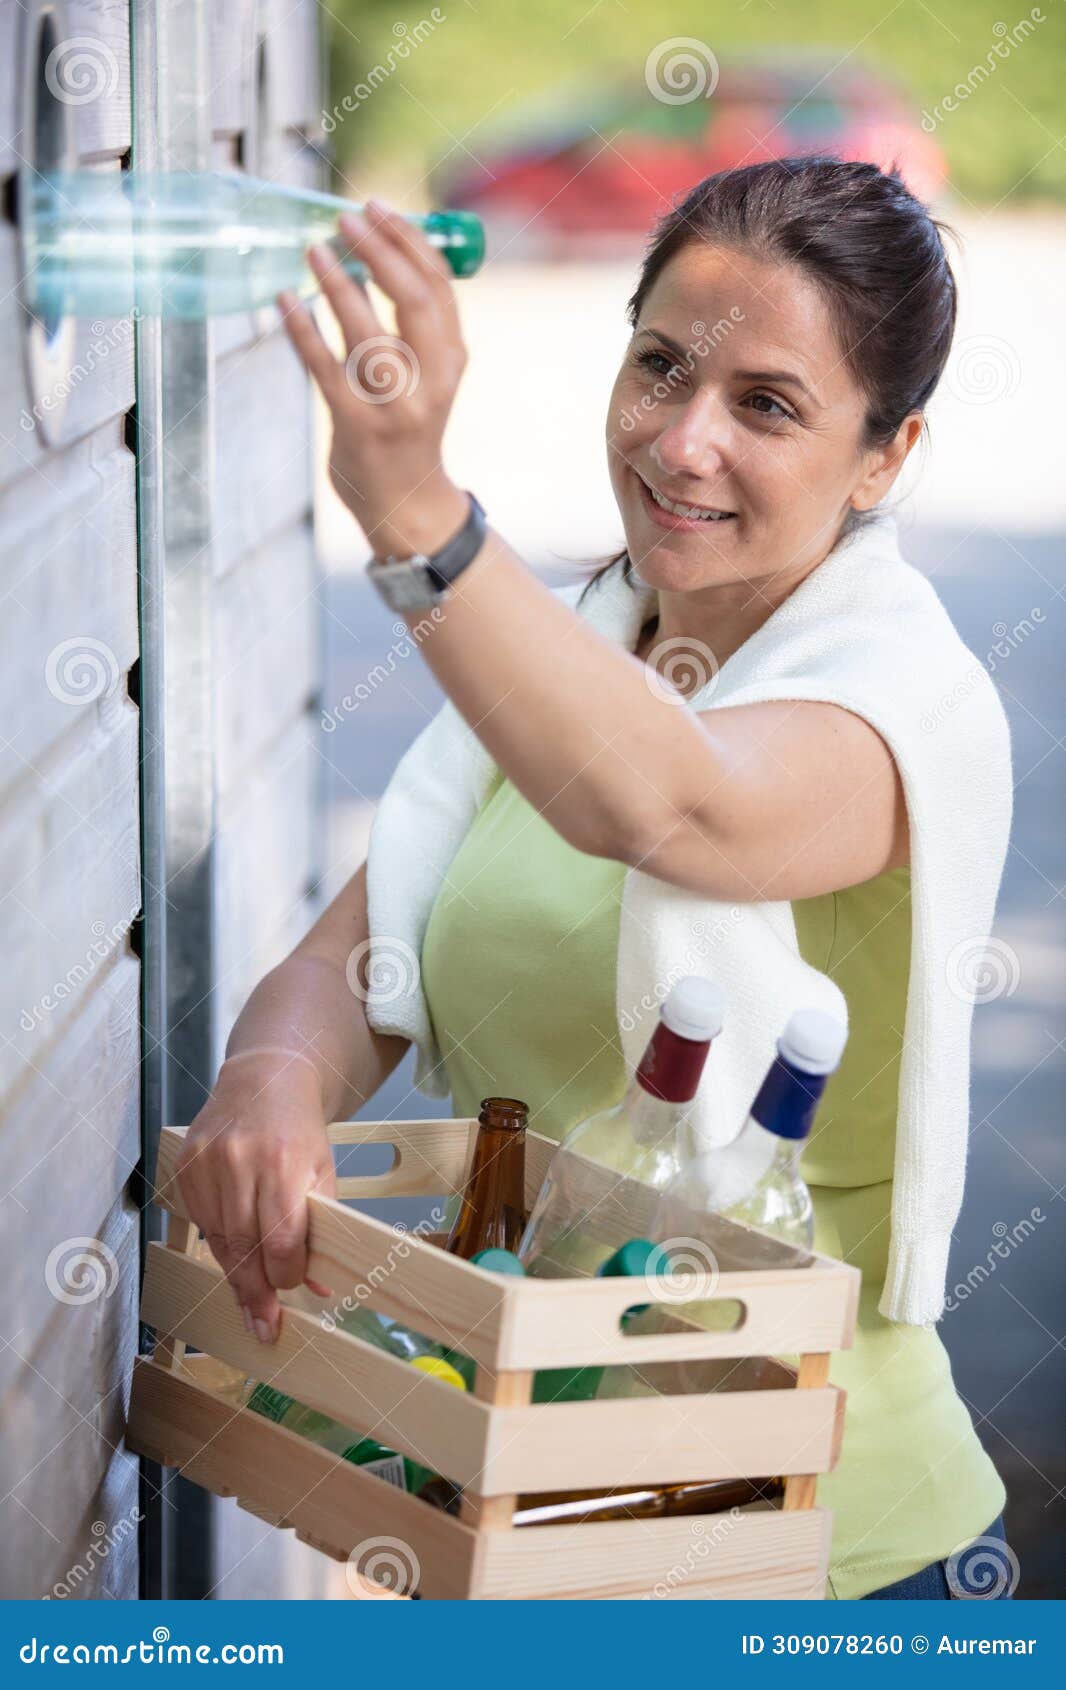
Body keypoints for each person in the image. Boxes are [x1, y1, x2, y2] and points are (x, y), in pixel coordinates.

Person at [175, 157, 1012, 1598]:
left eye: (764, 404)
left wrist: (420, 517)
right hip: (526, 1508)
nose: (681, 441)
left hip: (810, 1539)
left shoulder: (904, 705)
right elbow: (353, 955)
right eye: (658, 367)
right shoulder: (573, 649)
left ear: (883, 454)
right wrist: (269, 1072)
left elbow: (672, 805)